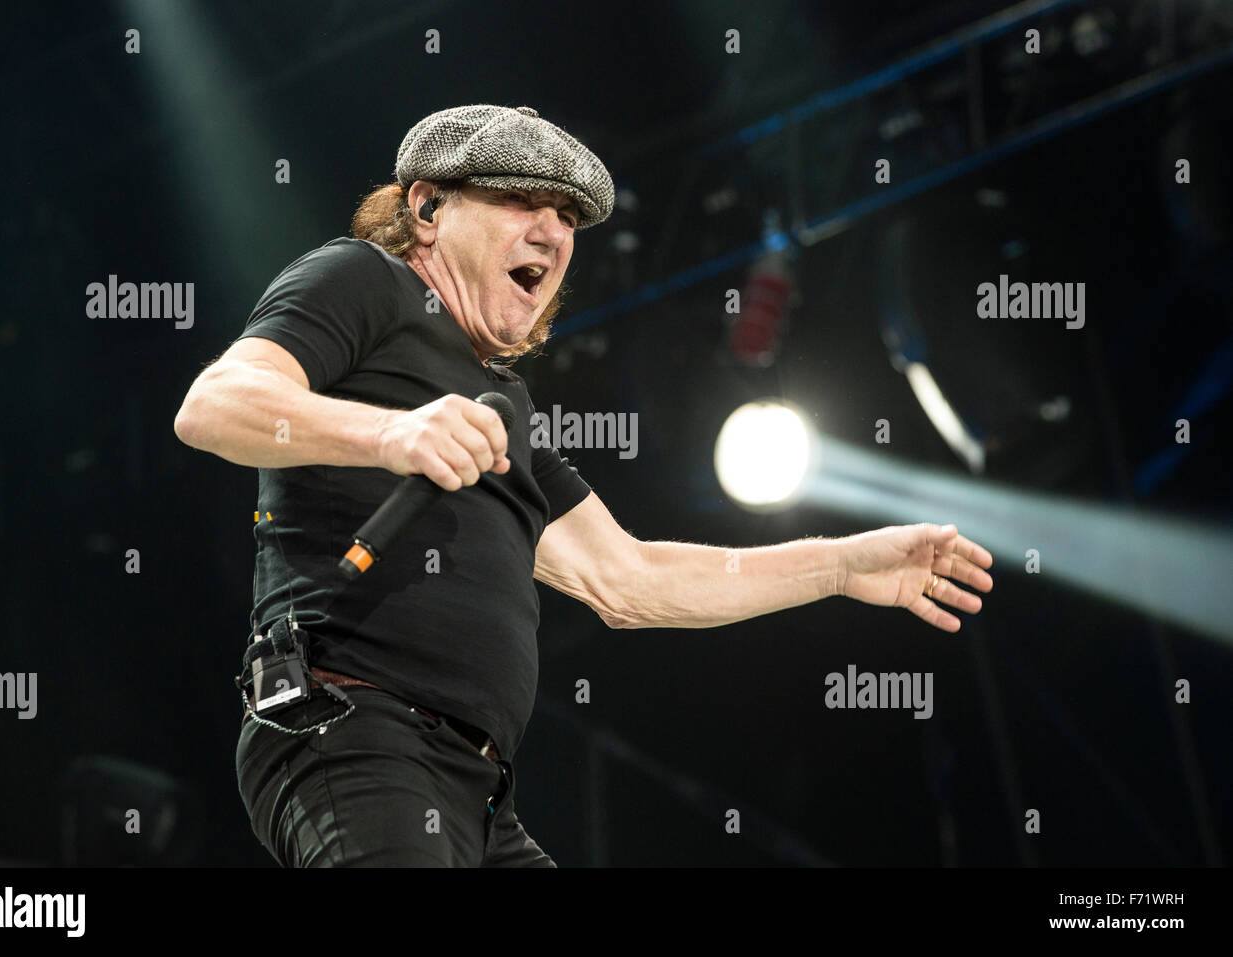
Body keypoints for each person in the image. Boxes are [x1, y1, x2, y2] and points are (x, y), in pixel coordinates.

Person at [173, 103, 994, 868]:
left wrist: (841, 566)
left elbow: (632, 579)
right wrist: (389, 433)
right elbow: (214, 405)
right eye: (523, 201)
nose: (553, 231)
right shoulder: (364, 280)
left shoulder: (504, 407)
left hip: (479, 791)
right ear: (426, 209)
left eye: (567, 217)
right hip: (349, 730)